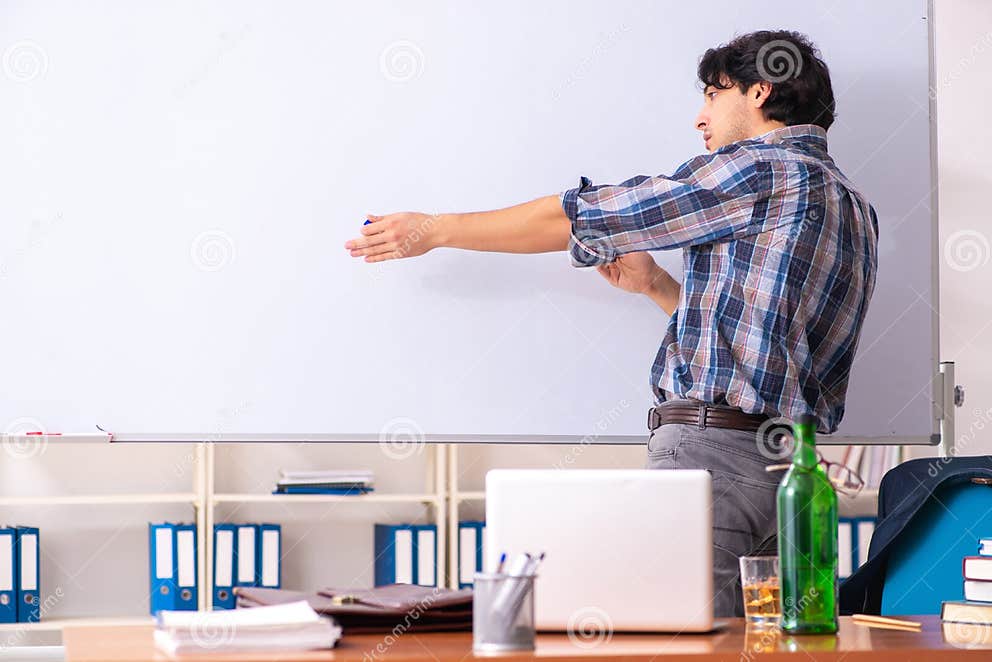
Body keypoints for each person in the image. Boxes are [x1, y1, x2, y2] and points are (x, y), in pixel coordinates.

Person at [344, 29, 878, 617]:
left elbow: (582, 216)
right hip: (792, 473)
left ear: (759, 90)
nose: (700, 119)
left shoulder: (756, 172)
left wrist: (435, 229)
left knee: (683, 643)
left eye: (711, 95)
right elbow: (766, 340)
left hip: (714, 457)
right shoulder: (854, 206)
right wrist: (657, 287)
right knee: (775, 647)